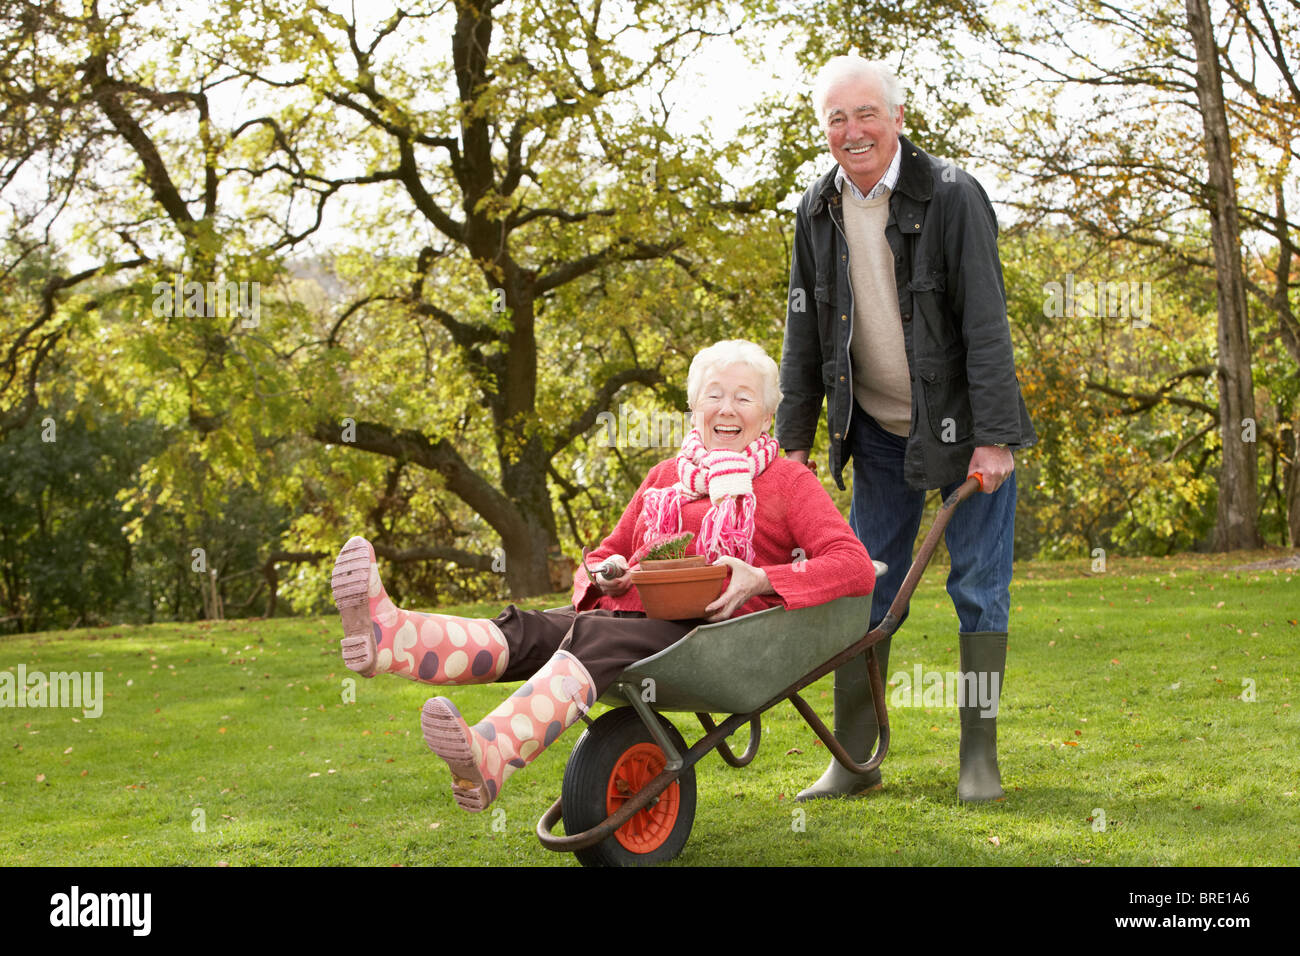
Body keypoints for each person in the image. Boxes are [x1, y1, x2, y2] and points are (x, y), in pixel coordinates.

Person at [331, 339, 876, 813]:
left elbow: (853, 564)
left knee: (589, 633)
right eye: (714, 394)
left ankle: (493, 753)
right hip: (636, 616)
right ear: (693, 408)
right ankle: (391, 638)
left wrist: (757, 578)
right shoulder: (665, 477)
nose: (726, 407)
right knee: (532, 628)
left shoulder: (787, 481)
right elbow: (613, 551)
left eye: (743, 396)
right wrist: (607, 572)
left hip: (720, 637)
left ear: (766, 413)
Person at [776, 56, 1037, 803]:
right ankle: (855, 756)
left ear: (896, 118)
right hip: (879, 434)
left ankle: (978, 757)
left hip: (965, 433)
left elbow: (986, 326)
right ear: (823, 129)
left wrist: (995, 437)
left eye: (865, 114)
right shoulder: (815, 207)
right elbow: (804, 334)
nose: (852, 131)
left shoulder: (953, 196)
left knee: (979, 590)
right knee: (863, 589)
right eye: (836, 118)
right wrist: (793, 444)